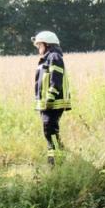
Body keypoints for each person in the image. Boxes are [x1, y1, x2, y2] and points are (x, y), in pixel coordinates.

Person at [33, 30, 72, 165]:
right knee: (49, 130)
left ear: (47, 44)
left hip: (53, 102)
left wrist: (51, 96)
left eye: (39, 45)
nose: (38, 48)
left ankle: (55, 160)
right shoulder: (47, 58)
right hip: (47, 103)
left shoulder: (54, 57)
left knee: (50, 129)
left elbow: (56, 77)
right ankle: (57, 155)